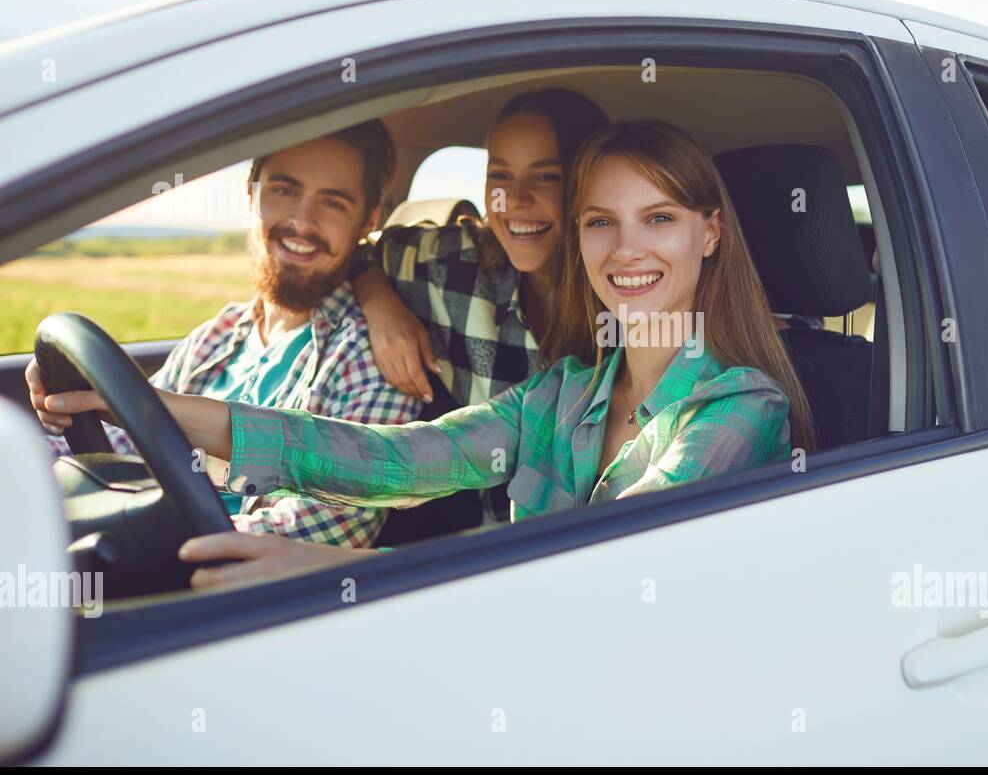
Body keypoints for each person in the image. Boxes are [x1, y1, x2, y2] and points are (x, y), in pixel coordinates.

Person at [38, 120, 815, 586]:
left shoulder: (739, 409)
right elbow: (392, 462)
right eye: (600, 223)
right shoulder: (560, 392)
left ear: (708, 233)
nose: (626, 250)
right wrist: (152, 408)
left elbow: (594, 574)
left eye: (659, 219)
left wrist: (345, 575)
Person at [28, 121, 423, 547]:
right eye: (285, 190)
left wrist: (150, 538)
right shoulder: (218, 333)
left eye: (333, 203)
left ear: (369, 220)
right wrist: (68, 408)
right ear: (251, 193)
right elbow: (126, 439)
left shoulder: (371, 356)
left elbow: (323, 530)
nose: (301, 221)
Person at [351, 88, 608, 520]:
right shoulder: (456, 265)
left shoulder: (635, 293)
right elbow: (355, 250)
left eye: (546, 176)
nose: (516, 200)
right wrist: (380, 304)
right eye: (500, 176)